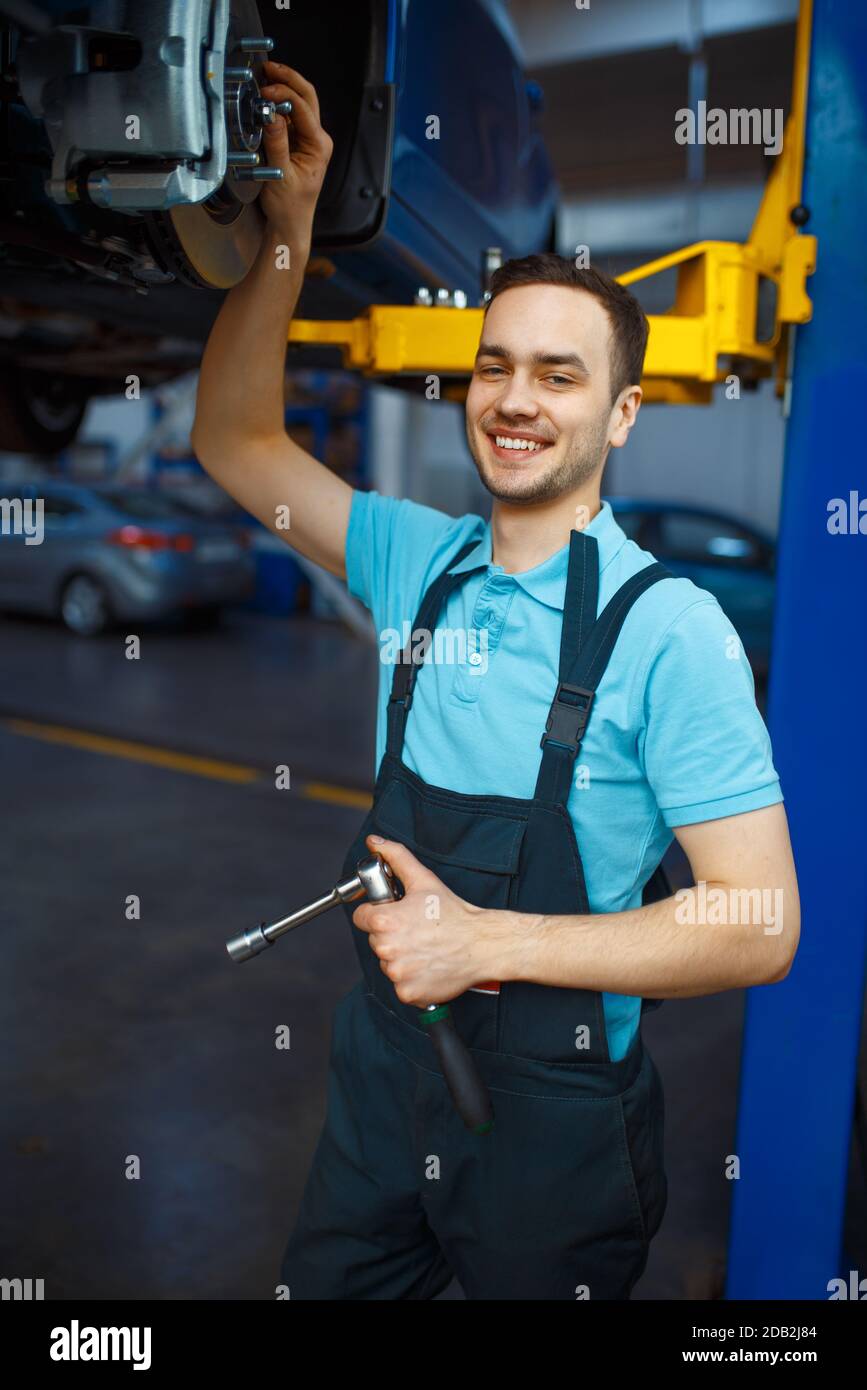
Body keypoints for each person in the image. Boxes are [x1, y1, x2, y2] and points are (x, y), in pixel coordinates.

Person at [192, 63, 800, 1300]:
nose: (516, 401)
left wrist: (486, 941)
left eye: (560, 376)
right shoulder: (417, 558)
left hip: (556, 1135)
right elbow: (235, 441)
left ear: (623, 415)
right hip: (384, 1086)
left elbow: (761, 923)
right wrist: (289, 231)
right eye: (495, 365)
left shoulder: (670, 633)